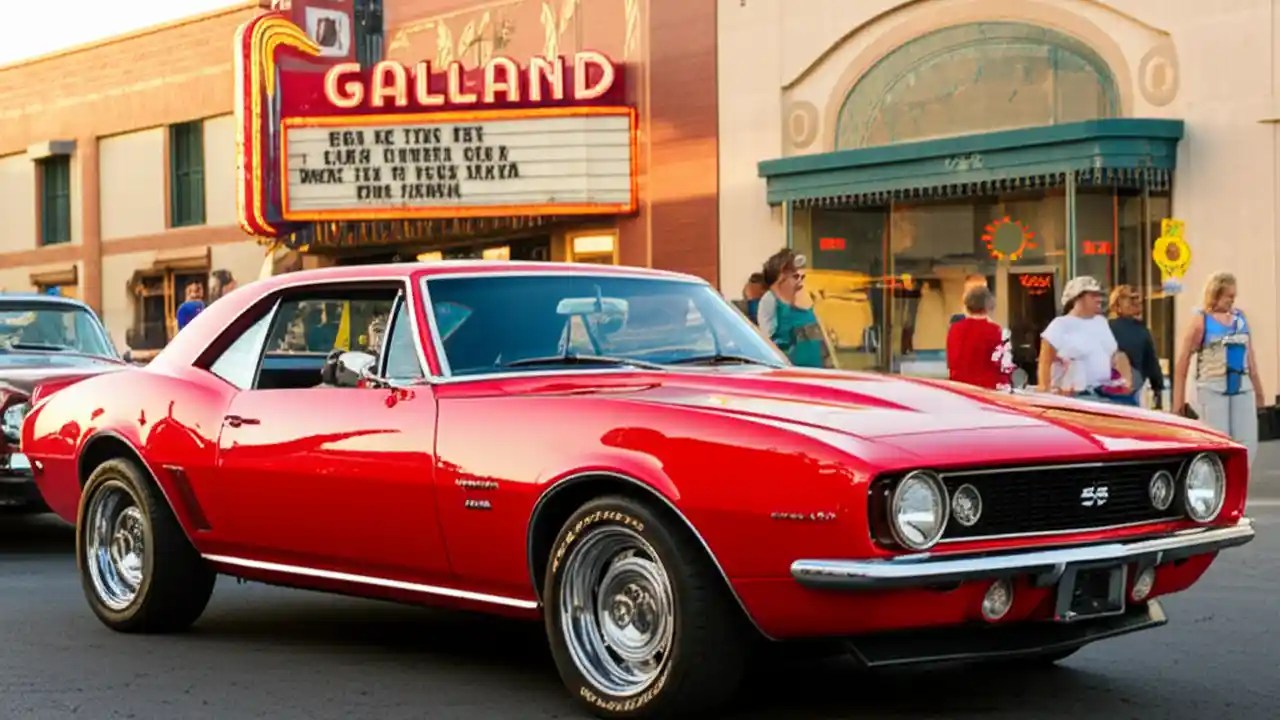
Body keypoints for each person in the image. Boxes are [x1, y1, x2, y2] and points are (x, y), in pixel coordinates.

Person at [1172, 271, 1263, 465]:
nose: (1232, 300)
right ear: (1216, 294)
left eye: (1234, 296)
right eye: (1228, 296)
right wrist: (1177, 403)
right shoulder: (1201, 321)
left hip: (1242, 386)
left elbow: (1251, 357)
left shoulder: (1240, 318)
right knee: (1217, 442)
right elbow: (1183, 362)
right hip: (1212, 388)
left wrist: (1259, 393)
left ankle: (1239, 484)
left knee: (1247, 444)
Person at [1036, 276, 1133, 402]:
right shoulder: (1060, 325)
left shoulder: (1102, 323)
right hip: (1072, 397)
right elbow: (1045, 360)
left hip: (1104, 393)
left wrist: (1126, 379)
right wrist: (1046, 390)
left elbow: (1116, 355)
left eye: (1099, 295)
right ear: (1077, 298)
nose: (1098, 299)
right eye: (1093, 295)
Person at [758, 249, 832, 368]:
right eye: (795, 276)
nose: (799, 281)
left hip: (816, 374)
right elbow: (772, 345)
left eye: (801, 276)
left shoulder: (806, 306)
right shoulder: (771, 301)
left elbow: (821, 347)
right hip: (792, 374)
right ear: (780, 280)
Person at [946, 285, 1014, 390]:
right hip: (987, 390)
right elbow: (1004, 366)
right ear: (989, 305)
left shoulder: (954, 329)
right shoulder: (997, 331)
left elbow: (952, 362)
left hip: (959, 390)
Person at [1108, 285, 1165, 409]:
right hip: (1132, 385)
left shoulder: (1105, 326)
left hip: (1107, 382)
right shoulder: (1142, 331)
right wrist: (1158, 388)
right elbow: (1151, 364)